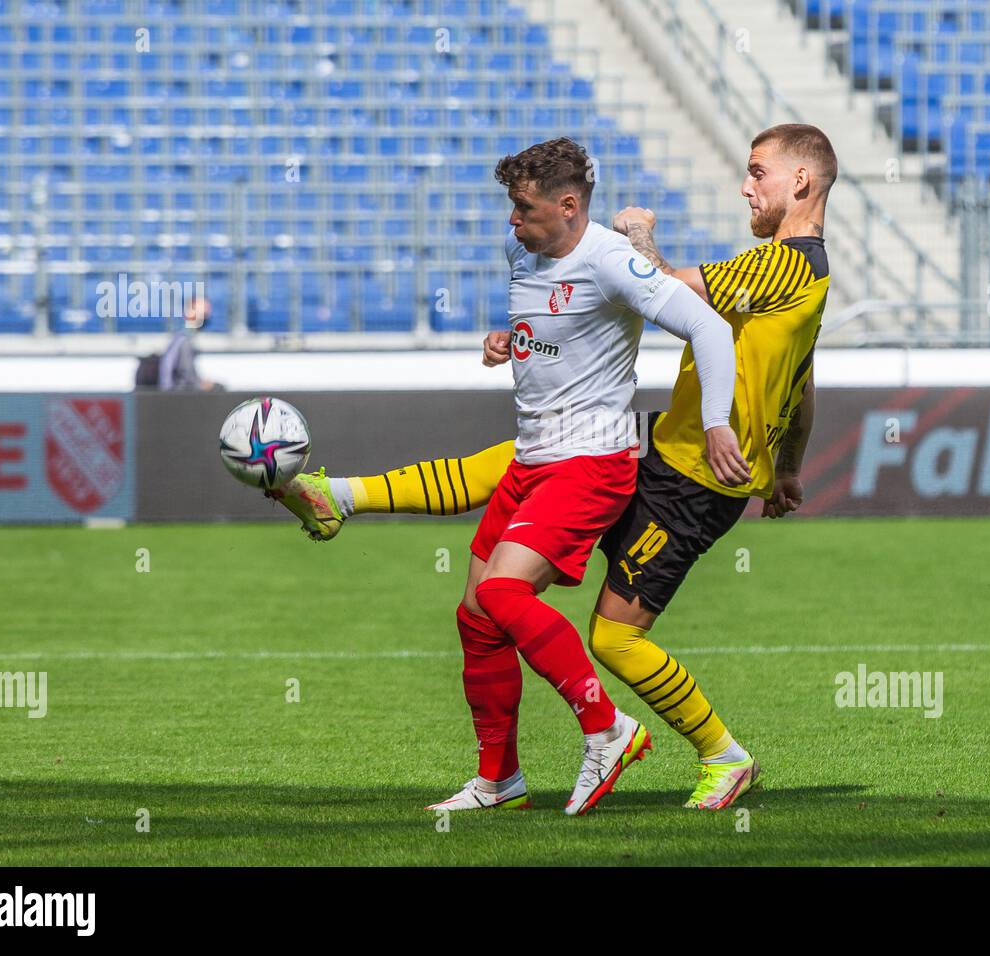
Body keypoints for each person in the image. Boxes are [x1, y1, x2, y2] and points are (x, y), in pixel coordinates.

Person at [274, 123, 834, 811]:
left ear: (802, 182)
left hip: (699, 474)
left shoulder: (787, 264)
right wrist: (788, 469)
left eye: (758, 171)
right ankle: (340, 500)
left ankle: (723, 755)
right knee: (534, 465)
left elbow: (674, 295)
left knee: (614, 637)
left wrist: (637, 237)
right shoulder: (795, 278)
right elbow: (802, 379)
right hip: (667, 440)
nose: (746, 185)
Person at [158, 297, 220, 392]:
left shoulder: (180, 338)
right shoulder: (183, 341)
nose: (207, 316)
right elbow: (186, 374)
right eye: (203, 313)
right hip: (178, 395)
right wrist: (203, 386)